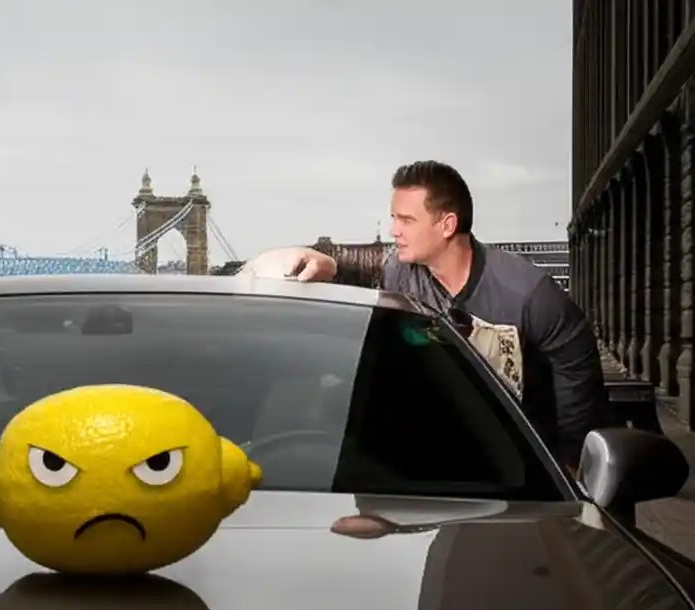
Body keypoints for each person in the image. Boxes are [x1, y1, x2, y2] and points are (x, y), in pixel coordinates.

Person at [238, 160, 608, 472]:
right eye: (393, 218)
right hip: (435, 455)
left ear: (447, 224)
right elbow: (363, 264)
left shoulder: (528, 294)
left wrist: (570, 466)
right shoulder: (402, 272)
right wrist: (327, 261)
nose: (395, 230)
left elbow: (577, 378)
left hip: (518, 463)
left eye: (406, 220)